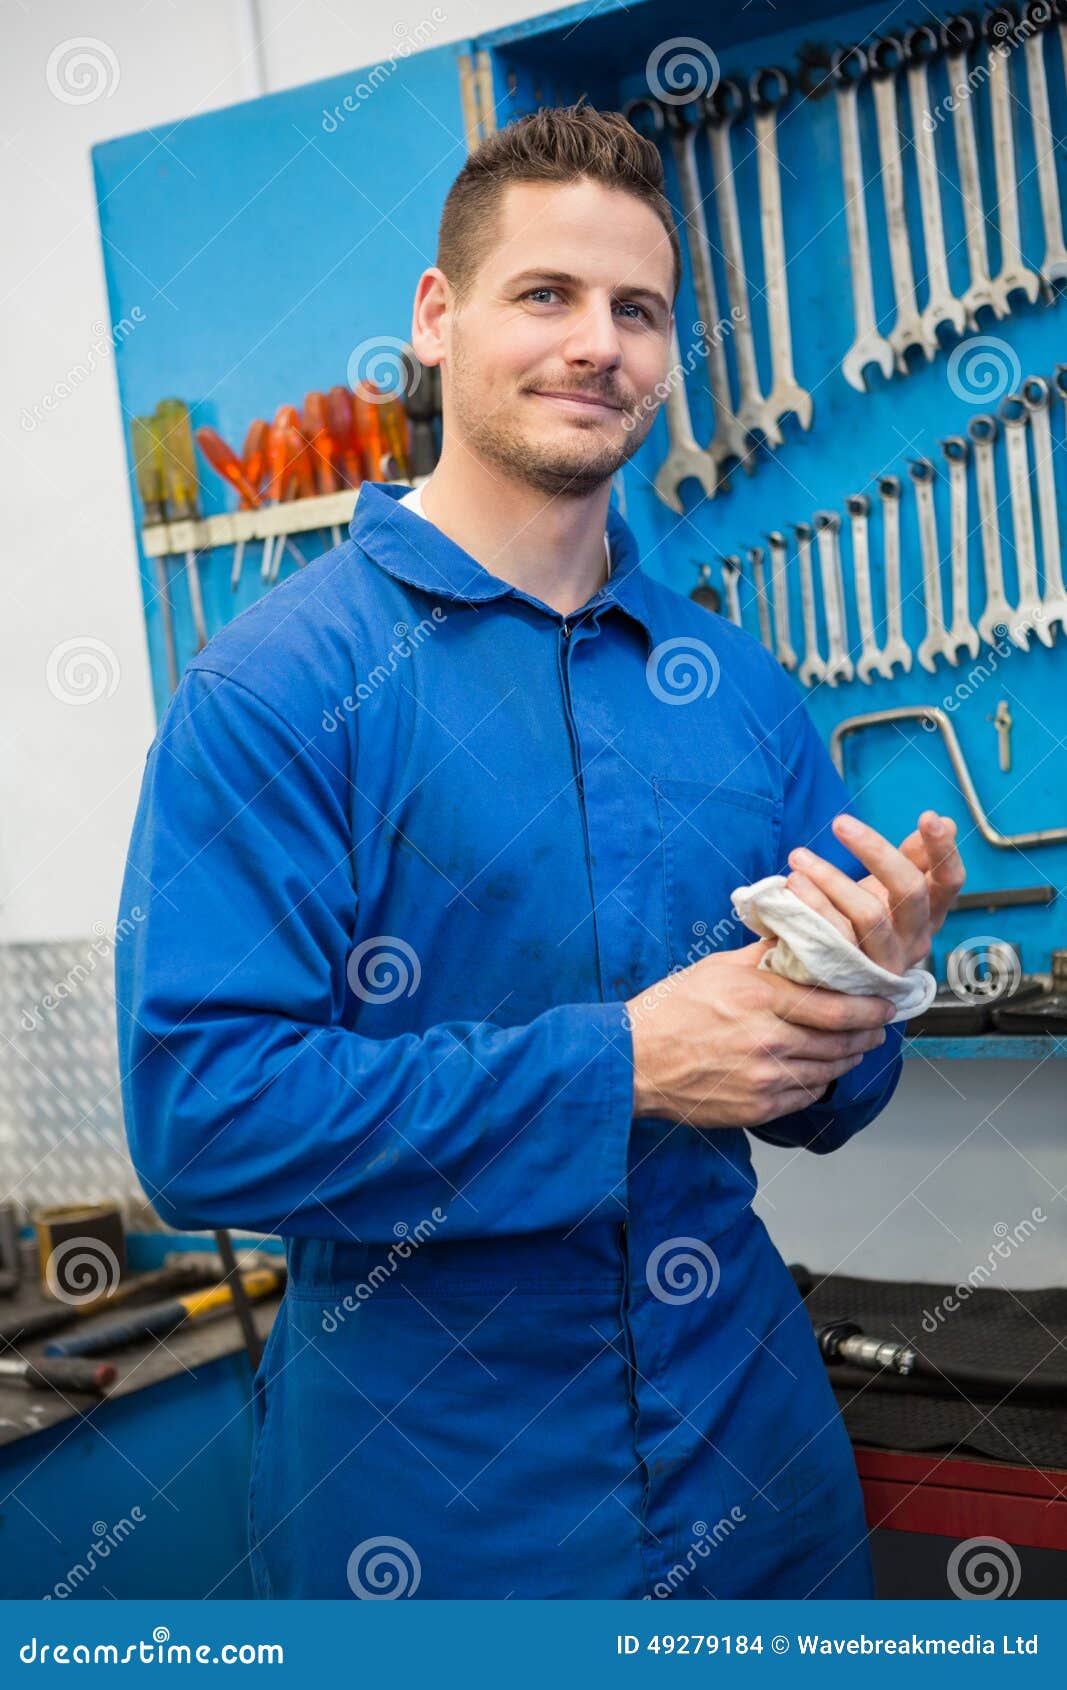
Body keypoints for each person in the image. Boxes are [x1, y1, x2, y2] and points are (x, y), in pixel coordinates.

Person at [116, 104, 965, 1601]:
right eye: (546, 295)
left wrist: (863, 992)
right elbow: (205, 1118)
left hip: (756, 1469)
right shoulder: (281, 687)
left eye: (637, 311)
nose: (598, 345)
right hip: (440, 1511)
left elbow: (819, 1110)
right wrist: (622, 1064)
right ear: (438, 321)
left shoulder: (736, 690)